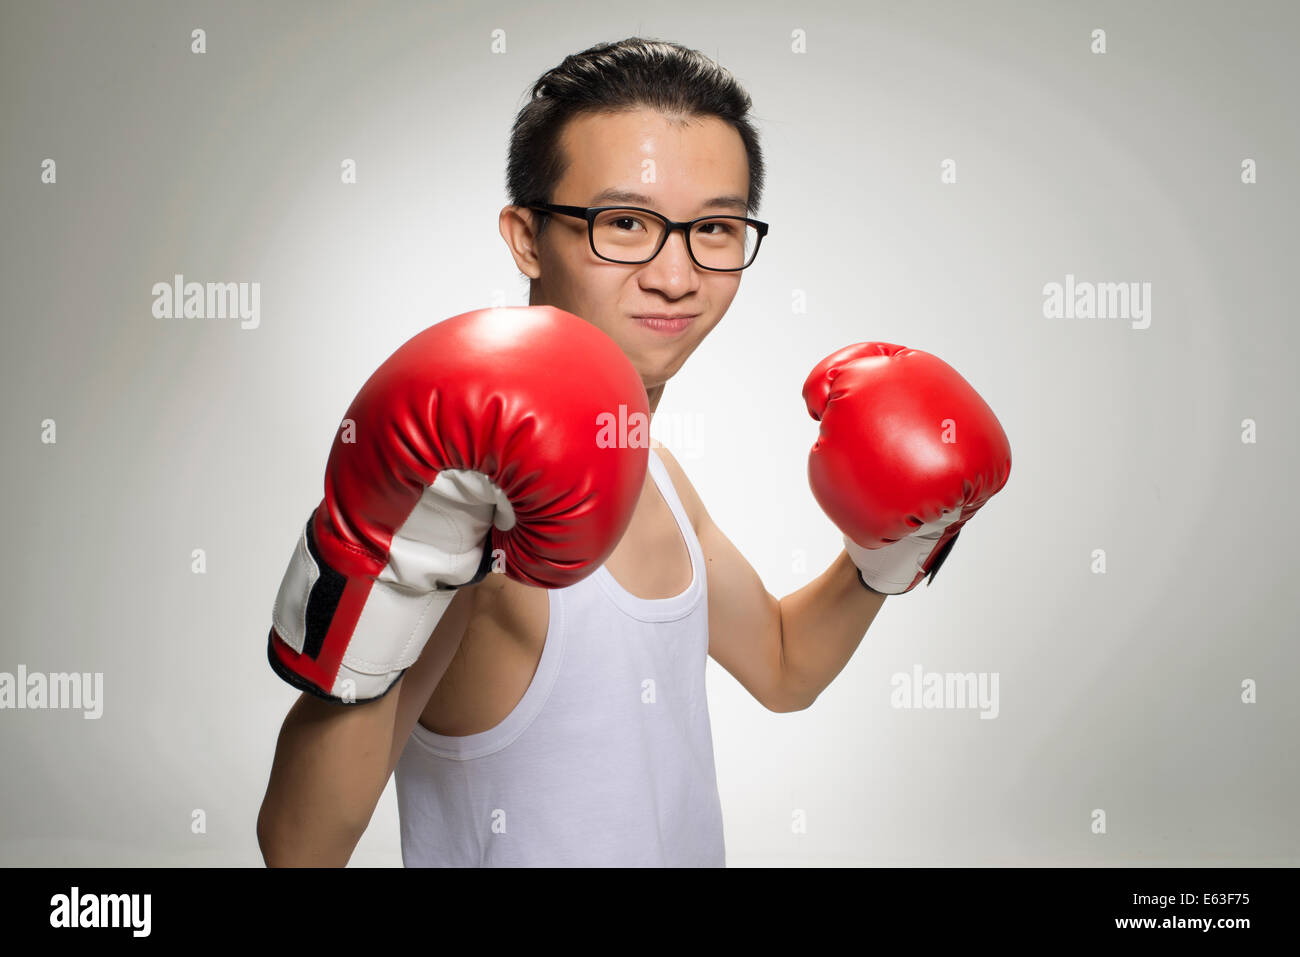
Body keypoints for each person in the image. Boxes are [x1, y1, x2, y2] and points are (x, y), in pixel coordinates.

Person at [256, 37, 1009, 867]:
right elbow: (300, 845)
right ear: (526, 237)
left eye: (714, 228)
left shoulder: (654, 473)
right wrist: (394, 563)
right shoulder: (478, 519)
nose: (676, 274)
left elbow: (786, 669)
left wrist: (889, 552)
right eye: (625, 223)